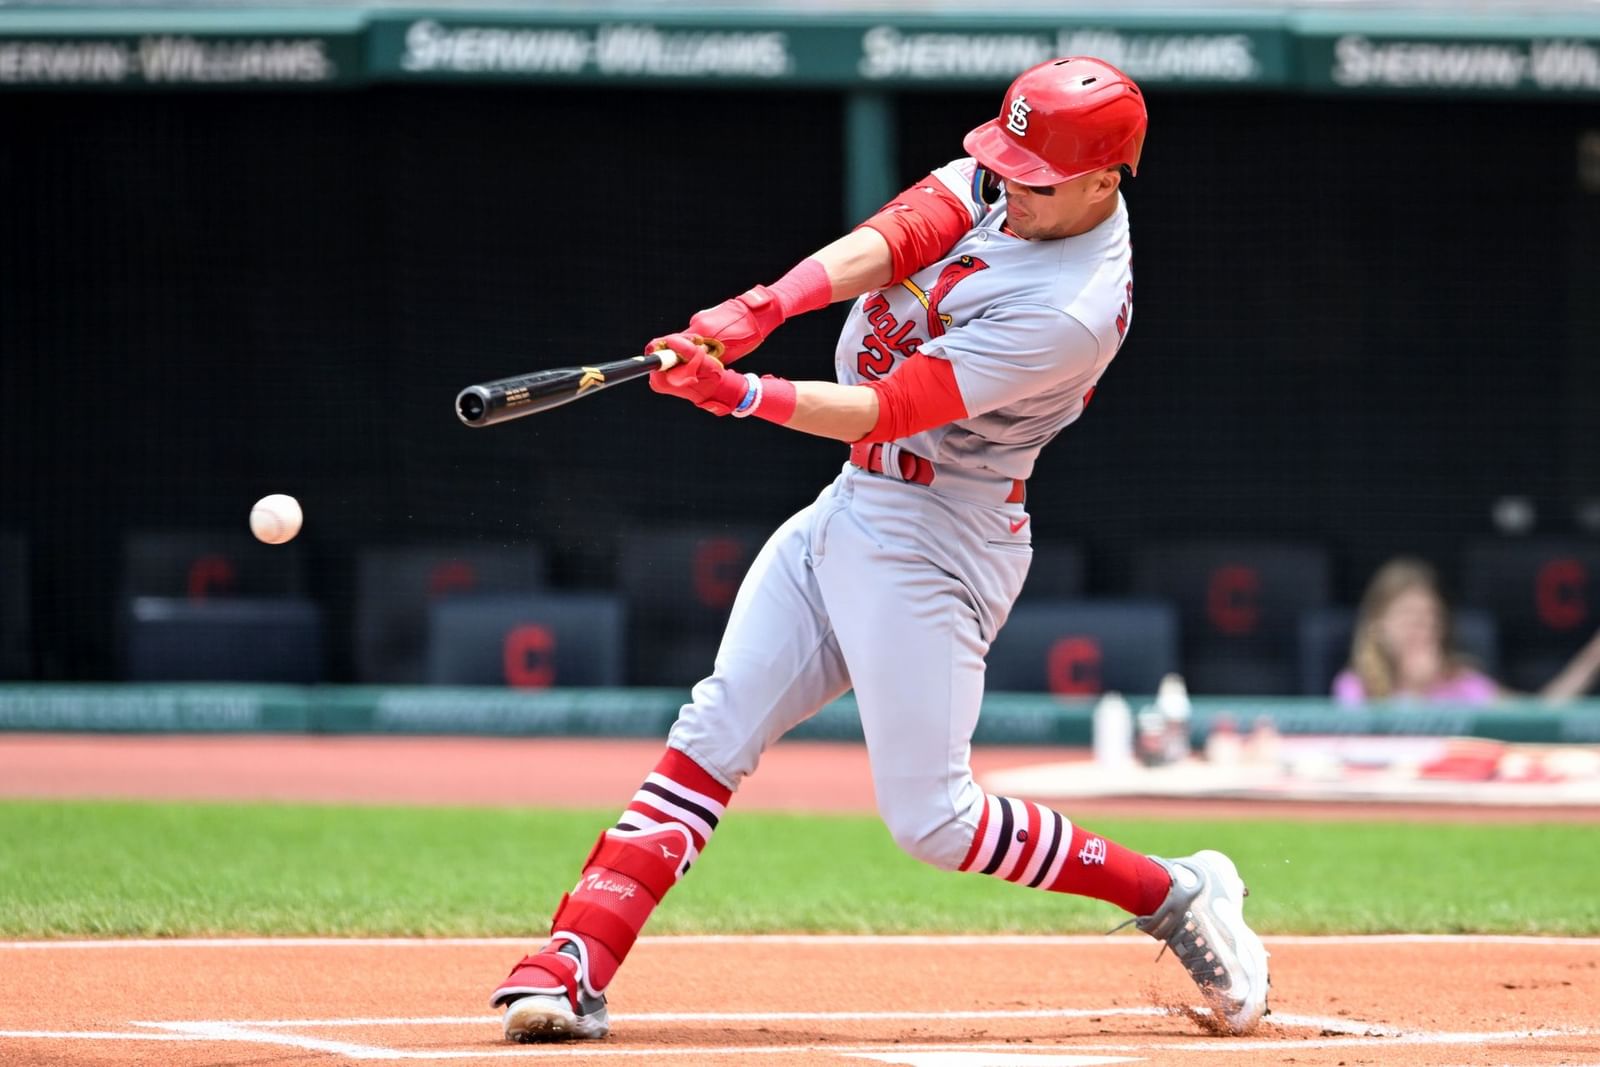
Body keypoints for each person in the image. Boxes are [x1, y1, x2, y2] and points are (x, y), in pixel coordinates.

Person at [489, 57, 1269, 1042]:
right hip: (855, 504)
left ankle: (1175, 890)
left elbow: (889, 408)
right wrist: (759, 307)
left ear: (1102, 183)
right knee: (716, 722)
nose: (1004, 184)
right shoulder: (1007, 181)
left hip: (940, 537)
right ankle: (574, 956)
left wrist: (740, 392)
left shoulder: (1068, 309)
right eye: (1004, 160)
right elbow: (898, 235)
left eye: (1033, 176)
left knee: (936, 822)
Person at [1334, 556, 1600, 705]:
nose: (1423, 629)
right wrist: (1417, 690)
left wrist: (1591, 659)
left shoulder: (1462, 682)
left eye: (1432, 618)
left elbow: (1538, 717)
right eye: (1409, 618)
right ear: (1378, 625)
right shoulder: (1357, 686)